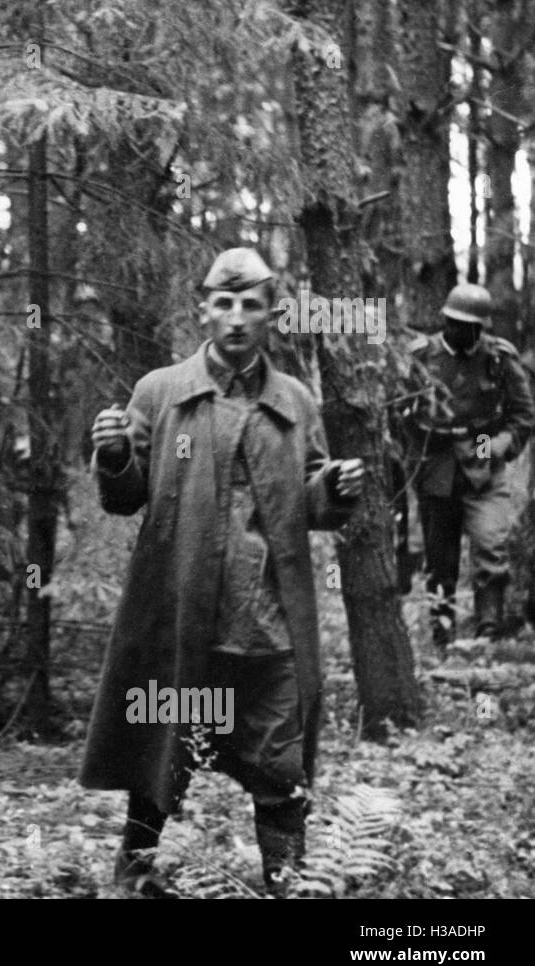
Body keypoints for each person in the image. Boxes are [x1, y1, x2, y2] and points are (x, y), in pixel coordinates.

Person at [80, 248, 364, 897]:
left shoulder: (296, 399)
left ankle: (288, 883)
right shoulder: (159, 391)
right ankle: (132, 877)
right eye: (225, 303)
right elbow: (123, 499)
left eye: (252, 304)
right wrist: (116, 455)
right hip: (183, 619)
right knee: (159, 750)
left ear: (271, 314)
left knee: (281, 760)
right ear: (203, 309)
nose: (237, 317)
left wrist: (336, 487)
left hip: (269, 623)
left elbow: (312, 500)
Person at [400, 284, 535, 642]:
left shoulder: (499, 358)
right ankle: (442, 635)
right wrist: (418, 446)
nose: (459, 330)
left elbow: (523, 415)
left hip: (483, 466)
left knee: (491, 545)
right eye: (453, 322)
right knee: (439, 560)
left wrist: (493, 445)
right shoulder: (420, 356)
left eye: (468, 325)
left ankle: (487, 631)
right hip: (437, 467)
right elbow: (399, 418)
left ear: (481, 327)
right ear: (444, 319)